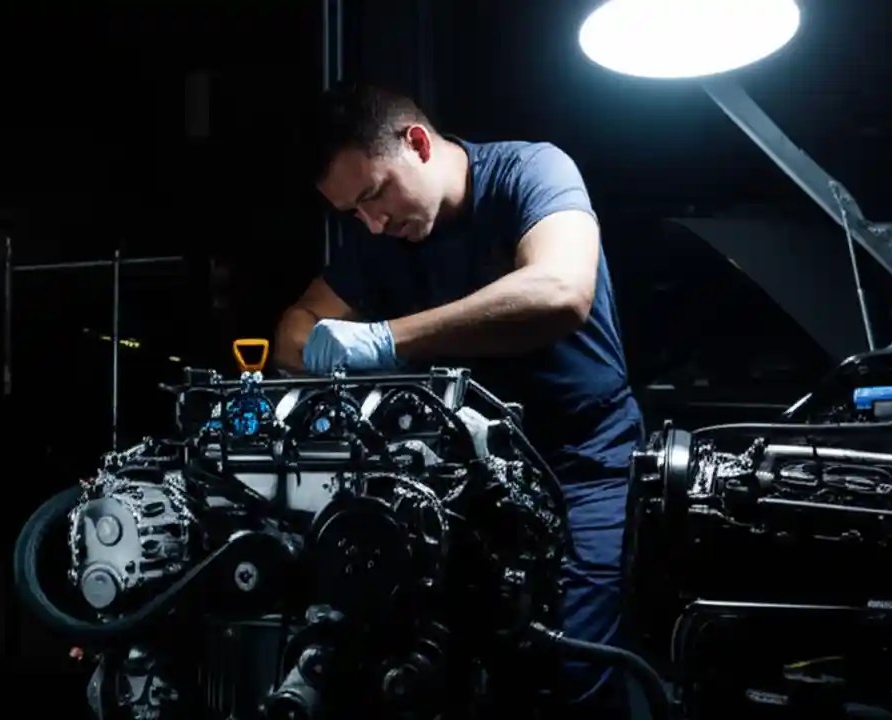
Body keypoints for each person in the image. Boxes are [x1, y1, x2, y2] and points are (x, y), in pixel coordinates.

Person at [273, 82, 645, 715]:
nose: (372, 222)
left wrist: (389, 340)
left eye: (372, 195)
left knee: (574, 664)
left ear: (417, 143)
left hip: (583, 465)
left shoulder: (532, 172)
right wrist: (326, 351)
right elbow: (292, 330)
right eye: (352, 214)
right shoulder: (379, 238)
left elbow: (561, 289)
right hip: (467, 481)